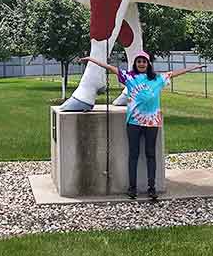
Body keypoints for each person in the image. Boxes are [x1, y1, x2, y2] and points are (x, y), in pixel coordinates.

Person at [79, 52, 204, 200]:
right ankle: (132, 188)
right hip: (134, 123)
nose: (141, 64)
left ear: (148, 63)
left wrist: (194, 67)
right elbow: (109, 67)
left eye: (144, 61)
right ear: (135, 63)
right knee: (134, 155)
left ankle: (152, 188)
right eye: (138, 61)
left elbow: (175, 73)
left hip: (152, 123)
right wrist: (91, 59)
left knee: (151, 155)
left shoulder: (157, 78)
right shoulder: (129, 77)